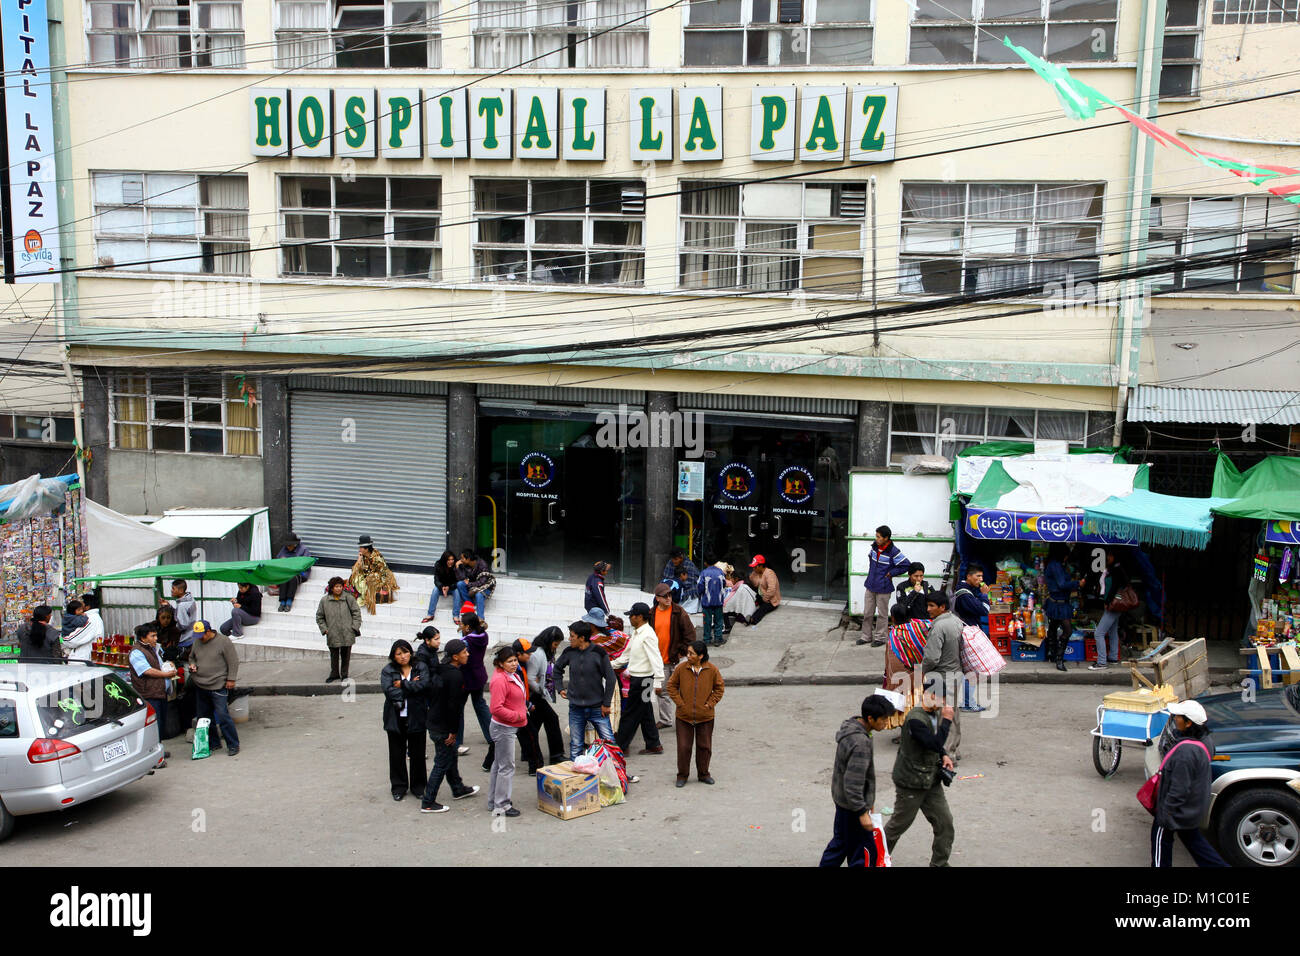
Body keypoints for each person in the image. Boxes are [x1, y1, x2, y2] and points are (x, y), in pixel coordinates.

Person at [882, 677, 957, 867]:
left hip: (930, 780)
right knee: (897, 826)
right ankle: (875, 858)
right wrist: (947, 721)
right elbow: (932, 742)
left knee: (945, 823)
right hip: (911, 783)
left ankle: (939, 863)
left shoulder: (932, 715)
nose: (943, 704)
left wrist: (944, 755)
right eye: (940, 698)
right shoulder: (915, 719)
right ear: (929, 695)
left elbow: (934, 745)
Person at [820, 694, 898, 867]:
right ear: (870, 718)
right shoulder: (860, 743)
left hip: (843, 801)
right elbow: (853, 782)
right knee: (863, 851)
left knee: (841, 845)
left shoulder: (851, 728)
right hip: (852, 806)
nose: (886, 724)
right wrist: (862, 812)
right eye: (883, 720)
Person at [1151, 699, 1227, 867]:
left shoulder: (1186, 752)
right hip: (1192, 808)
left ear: (1188, 723)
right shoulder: (1206, 741)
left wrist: (1165, 814)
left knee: (1161, 841)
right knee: (1196, 844)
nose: (1174, 718)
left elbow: (1179, 789)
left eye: (1178, 716)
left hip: (1176, 810)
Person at [420, 638, 480, 813]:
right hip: (442, 727)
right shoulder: (455, 675)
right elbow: (454, 706)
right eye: (464, 652)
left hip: (434, 721)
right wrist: (453, 732)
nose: (467, 654)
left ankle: (457, 788)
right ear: (455, 657)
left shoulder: (442, 669)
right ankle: (428, 801)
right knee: (441, 762)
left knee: (451, 756)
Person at [554, 620, 617, 759]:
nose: (569, 639)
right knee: (576, 746)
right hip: (576, 708)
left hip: (597, 708)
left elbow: (611, 679)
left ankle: (619, 774)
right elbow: (557, 669)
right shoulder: (569, 651)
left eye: (572, 636)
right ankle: (577, 779)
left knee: (610, 743)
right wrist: (559, 688)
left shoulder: (599, 653)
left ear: (582, 638)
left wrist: (606, 704)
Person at [667, 640, 725, 788]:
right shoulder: (681, 669)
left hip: (705, 716)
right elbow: (671, 686)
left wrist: (709, 704)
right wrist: (680, 703)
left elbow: (719, 689)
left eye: (691, 653)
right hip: (683, 717)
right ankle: (682, 775)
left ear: (701, 656)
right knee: (684, 747)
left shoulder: (712, 670)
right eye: (688, 653)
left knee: (704, 747)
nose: (688, 655)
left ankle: (704, 774)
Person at [381, 639, 430, 801]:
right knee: (396, 754)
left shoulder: (420, 667)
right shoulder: (388, 670)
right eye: (399, 654)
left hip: (417, 716)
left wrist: (402, 685)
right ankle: (399, 787)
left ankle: (419, 787)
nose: (403, 656)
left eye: (406, 652)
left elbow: (424, 686)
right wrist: (410, 686)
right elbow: (389, 692)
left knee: (418, 754)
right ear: (393, 656)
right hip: (396, 718)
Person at [616, 602, 664, 757]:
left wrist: (657, 681)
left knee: (630, 713)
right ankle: (654, 744)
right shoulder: (637, 633)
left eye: (632, 615)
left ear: (640, 617)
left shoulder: (648, 635)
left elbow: (656, 659)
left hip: (644, 681)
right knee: (645, 712)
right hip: (639, 679)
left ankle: (621, 746)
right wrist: (608, 665)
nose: (630, 618)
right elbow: (625, 656)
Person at [486, 645, 528, 817]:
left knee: (499, 764)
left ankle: (494, 801)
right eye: (509, 661)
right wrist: (517, 716)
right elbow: (496, 708)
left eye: (515, 660)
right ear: (501, 663)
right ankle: (502, 804)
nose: (513, 664)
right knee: (506, 767)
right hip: (504, 728)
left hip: (508, 727)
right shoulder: (500, 680)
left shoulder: (510, 675)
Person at [188, 619, 241, 757]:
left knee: (223, 716)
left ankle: (233, 744)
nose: (200, 639)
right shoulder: (197, 642)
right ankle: (213, 742)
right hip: (200, 684)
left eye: (202, 635)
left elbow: (233, 661)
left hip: (218, 684)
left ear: (209, 631)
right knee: (204, 717)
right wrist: (192, 664)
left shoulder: (223, 641)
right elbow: (191, 657)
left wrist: (231, 679)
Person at [920, 591, 963, 761]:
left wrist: (923, 671)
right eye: (928, 605)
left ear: (942, 607)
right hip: (956, 672)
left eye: (931, 606)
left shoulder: (938, 627)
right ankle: (954, 748)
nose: (928, 609)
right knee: (953, 712)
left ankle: (947, 754)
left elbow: (932, 657)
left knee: (944, 715)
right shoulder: (956, 621)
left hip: (942, 675)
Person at [650, 583, 696, 731]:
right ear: (658, 598)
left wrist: (682, 652)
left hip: (678, 659)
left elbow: (690, 635)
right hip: (660, 661)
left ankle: (688, 718)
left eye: (670, 595)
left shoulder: (679, 612)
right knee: (662, 691)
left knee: (684, 690)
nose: (669, 598)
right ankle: (665, 719)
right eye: (665, 596)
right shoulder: (651, 614)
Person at [128, 623, 177, 761]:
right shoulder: (137, 652)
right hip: (149, 694)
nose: (156, 638)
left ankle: (158, 751)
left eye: (156, 635)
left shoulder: (153, 648)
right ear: (143, 638)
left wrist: (169, 666)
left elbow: (159, 665)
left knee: (160, 725)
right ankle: (152, 758)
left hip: (159, 692)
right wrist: (165, 675)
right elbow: (146, 670)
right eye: (153, 636)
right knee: (153, 726)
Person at [586, 607, 629, 744]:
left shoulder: (591, 641)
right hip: (611, 678)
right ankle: (608, 737)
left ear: (592, 624)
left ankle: (595, 739)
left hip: (595, 680)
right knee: (609, 710)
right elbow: (627, 639)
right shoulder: (615, 638)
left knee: (595, 710)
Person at [862, 526, 911, 647]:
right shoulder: (874, 547)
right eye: (876, 536)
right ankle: (866, 636)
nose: (876, 538)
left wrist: (891, 573)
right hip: (870, 585)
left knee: (882, 614)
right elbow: (871, 560)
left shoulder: (893, 551)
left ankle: (880, 638)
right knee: (867, 612)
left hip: (884, 588)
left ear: (886, 538)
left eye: (879, 537)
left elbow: (906, 565)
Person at [1089, 550, 1131, 671]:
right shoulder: (1115, 569)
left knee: (1099, 633)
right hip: (1115, 606)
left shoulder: (1116, 570)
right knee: (1112, 631)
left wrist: (1107, 602)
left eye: (1110, 555)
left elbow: (1113, 588)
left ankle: (1101, 662)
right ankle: (1113, 657)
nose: (1108, 557)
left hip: (1113, 606)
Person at [316, 576, 362, 683]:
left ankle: (344, 674)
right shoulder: (324, 601)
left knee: (346, 655)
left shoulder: (348, 598)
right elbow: (319, 617)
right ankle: (334, 674)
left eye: (340, 586)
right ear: (331, 588)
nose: (338, 589)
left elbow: (356, 612)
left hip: (347, 632)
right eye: (336, 587)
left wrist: (354, 627)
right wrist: (325, 629)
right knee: (334, 655)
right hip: (332, 633)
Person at [1044, 544, 1078, 673]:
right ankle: (1059, 659)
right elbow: (1062, 584)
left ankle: (1053, 655)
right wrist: (1077, 583)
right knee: (1067, 630)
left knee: (1053, 628)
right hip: (1059, 604)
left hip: (1055, 602)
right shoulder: (1056, 566)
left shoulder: (1054, 564)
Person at [886, 604, 930, 695]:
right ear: (910, 617)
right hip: (923, 667)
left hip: (907, 671)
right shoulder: (922, 625)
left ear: (893, 618)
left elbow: (890, 664)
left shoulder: (894, 635)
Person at [351, 534, 399, 614]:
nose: (359, 549)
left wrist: (382, 585)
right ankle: (363, 595)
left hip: (379, 577)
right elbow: (354, 570)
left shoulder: (376, 557)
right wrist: (359, 560)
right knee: (355, 577)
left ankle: (366, 597)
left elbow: (383, 572)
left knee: (369, 578)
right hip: (368, 576)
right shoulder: (363, 556)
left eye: (361, 548)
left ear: (366, 549)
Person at [274, 533, 312, 612]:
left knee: (292, 578)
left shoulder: (303, 549)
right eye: (287, 545)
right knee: (284, 578)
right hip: (287, 572)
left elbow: (306, 564)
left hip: (300, 573)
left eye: (289, 545)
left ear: (295, 544)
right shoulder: (284, 549)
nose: (288, 547)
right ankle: (282, 602)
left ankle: (289, 602)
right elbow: (278, 560)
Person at [63, 593, 105, 663]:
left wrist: (63, 639)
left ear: (87, 607)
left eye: (81, 604)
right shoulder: (91, 618)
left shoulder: (91, 619)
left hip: (82, 660)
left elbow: (71, 640)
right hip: (83, 659)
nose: (79, 606)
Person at [454, 550, 495, 619]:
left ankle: (480, 619)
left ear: (468, 559)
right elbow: (462, 578)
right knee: (460, 584)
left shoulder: (482, 565)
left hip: (485, 587)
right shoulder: (466, 565)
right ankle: (470, 604)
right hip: (473, 586)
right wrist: (457, 567)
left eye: (462, 558)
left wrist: (469, 584)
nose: (461, 560)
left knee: (478, 594)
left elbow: (483, 582)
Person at [423, 551, 460, 623]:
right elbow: (436, 580)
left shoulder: (456, 565)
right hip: (441, 587)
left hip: (452, 587)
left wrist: (449, 587)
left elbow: (458, 581)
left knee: (457, 591)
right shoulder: (439, 565)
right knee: (435, 590)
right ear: (444, 560)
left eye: (452, 559)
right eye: (449, 560)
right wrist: (442, 587)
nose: (451, 561)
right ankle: (430, 614)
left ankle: (456, 615)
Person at [697, 560, 728, 647]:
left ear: (705, 563)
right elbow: (724, 583)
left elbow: (700, 586)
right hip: (718, 601)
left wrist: (701, 594)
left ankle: (707, 639)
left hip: (707, 602)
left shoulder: (704, 572)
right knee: (719, 620)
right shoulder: (720, 572)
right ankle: (718, 639)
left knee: (707, 621)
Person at [747, 555, 782, 626]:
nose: (753, 568)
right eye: (753, 567)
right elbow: (752, 582)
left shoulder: (769, 573)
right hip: (761, 595)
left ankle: (753, 619)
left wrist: (765, 598)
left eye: (755, 566)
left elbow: (772, 589)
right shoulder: (755, 573)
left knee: (763, 608)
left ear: (761, 566)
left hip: (770, 599)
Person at [952, 564, 991, 628]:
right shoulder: (964, 594)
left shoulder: (970, 590)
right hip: (968, 631)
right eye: (978, 576)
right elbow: (984, 610)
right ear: (969, 576)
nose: (981, 579)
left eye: (982, 576)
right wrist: (984, 594)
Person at [722, 565, 757, 635]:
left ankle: (727, 627)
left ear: (736, 579)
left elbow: (732, 602)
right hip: (751, 609)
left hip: (746, 612)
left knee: (724, 608)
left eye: (732, 578)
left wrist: (724, 604)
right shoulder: (744, 584)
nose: (730, 580)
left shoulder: (741, 588)